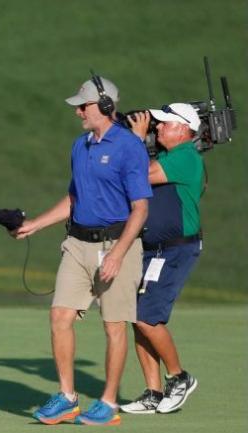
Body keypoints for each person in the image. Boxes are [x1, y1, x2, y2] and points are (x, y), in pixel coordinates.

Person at [13, 77, 151, 425]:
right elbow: (75, 198)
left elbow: (140, 209)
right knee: (59, 316)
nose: (78, 112)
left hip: (117, 245)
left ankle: (108, 403)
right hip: (77, 244)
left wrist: (119, 254)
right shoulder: (80, 145)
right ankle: (67, 397)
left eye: (83, 106)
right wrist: (37, 224)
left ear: (105, 108)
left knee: (114, 326)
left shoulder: (129, 147)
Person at [120, 103, 203, 414]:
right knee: (137, 316)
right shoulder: (169, 155)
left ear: (183, 130)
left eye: (164, 124)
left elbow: (140, 175)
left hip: (177, 248)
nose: (157, 128)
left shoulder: (185, 156)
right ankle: (153, 392)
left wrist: (135, 141)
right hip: (154, 249)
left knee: (147, 316)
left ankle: (179, 377)